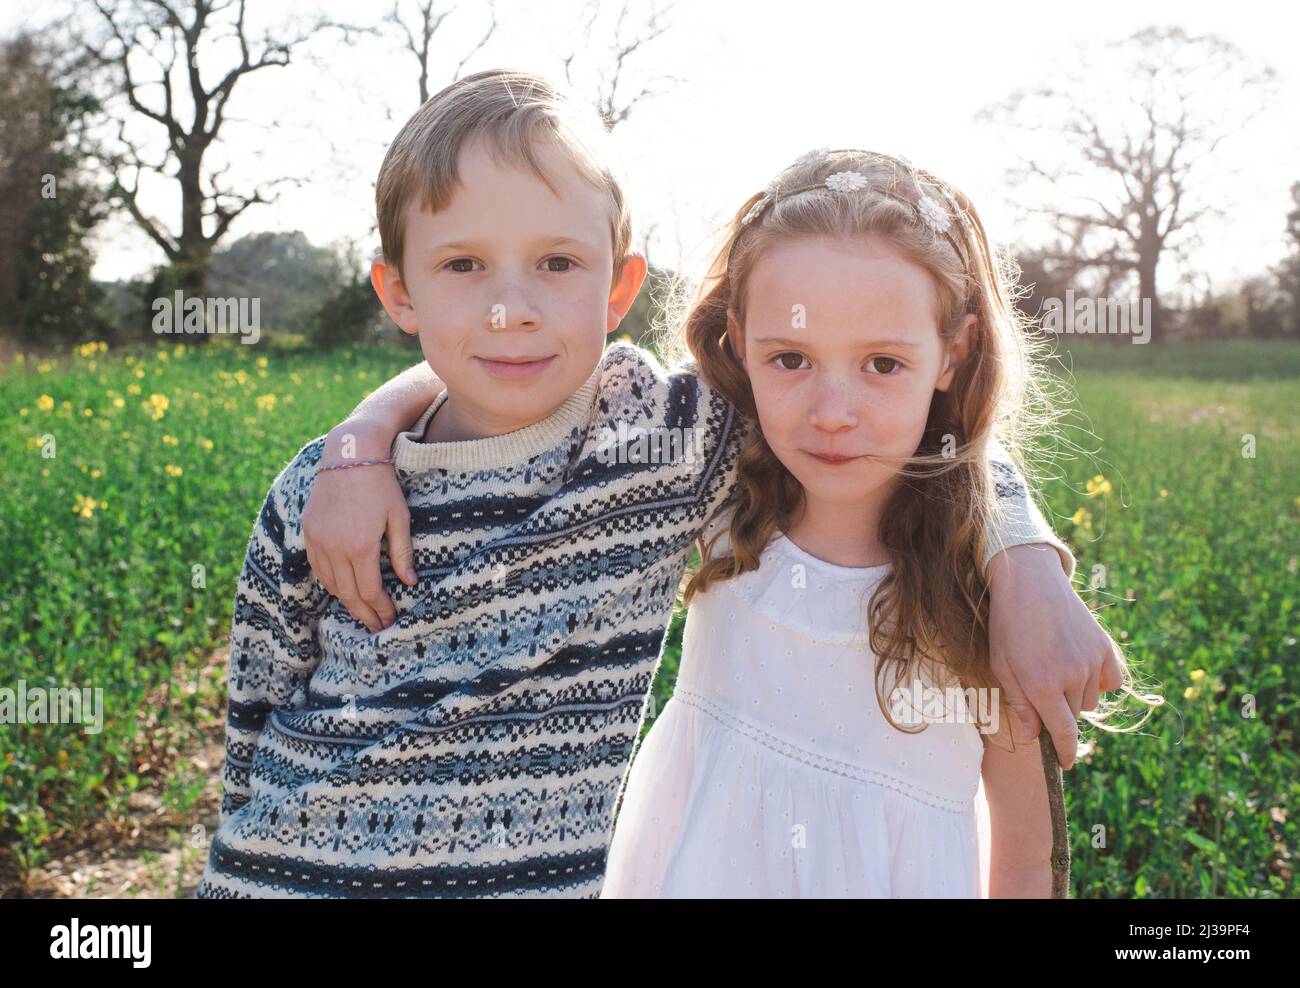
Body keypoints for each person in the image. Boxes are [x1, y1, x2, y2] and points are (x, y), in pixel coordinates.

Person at [206, 66, 1117, 897]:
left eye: (558, 263)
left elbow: (919, 428)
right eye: (462, 265)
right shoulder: (319, 493)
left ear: (619, 287)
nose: (510, 308)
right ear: (398, 291)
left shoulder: (666, 439)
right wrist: (360, 443)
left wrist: (1024, 558)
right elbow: (251, 719)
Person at [596, 148, 1160, 897]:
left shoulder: (979, 591)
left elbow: (1024, 858)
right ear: (738, 340)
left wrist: (1021, 556)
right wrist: (377, 442)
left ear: (951, 354)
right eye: (790, 358)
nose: (832, 413)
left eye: (883, 365)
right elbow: (520, 394)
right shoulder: (720, 498)